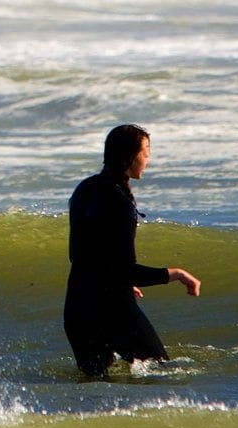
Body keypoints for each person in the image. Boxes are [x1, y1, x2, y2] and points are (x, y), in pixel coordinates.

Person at [64, 123, 202, 378]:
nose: (148, 158)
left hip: (77, 309)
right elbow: (126, 271)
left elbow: (81, 255)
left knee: (94, 387)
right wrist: (176, 274)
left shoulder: (85, 189)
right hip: (111, 310)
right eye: (145, 151)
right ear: (129, 156)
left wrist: (121, 281)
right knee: (164, 375)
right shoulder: (120, 203)